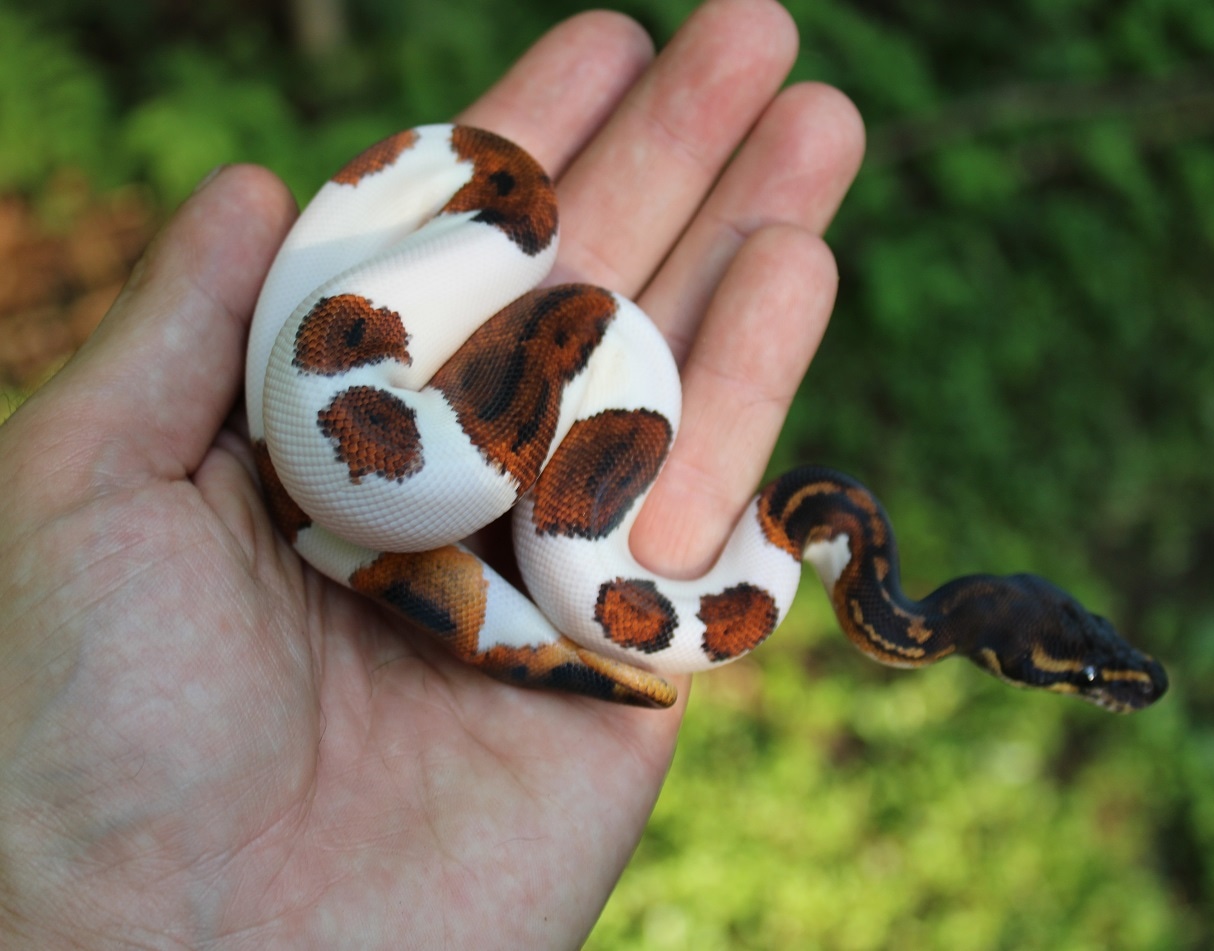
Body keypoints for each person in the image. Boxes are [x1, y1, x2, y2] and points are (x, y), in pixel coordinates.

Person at [0, 0, 864, 945]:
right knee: (477, 309)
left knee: (474, 294)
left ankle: (324, 500)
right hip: (383, 406)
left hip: (378, 389)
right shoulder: (553, 346)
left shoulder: (566, 331)